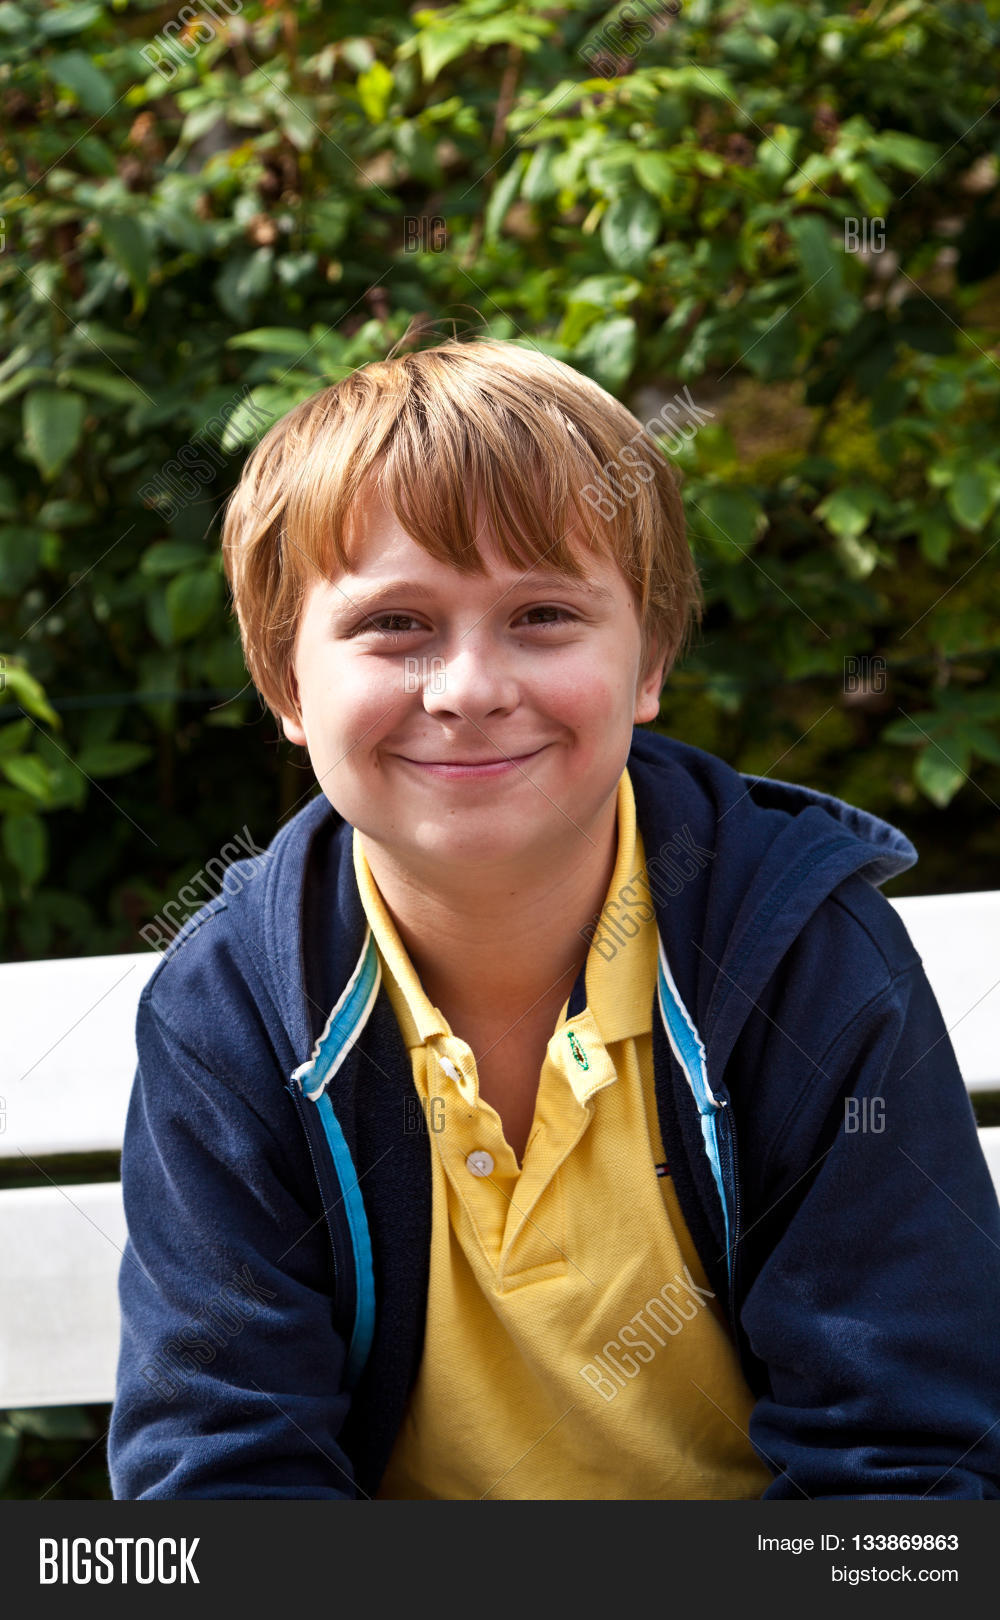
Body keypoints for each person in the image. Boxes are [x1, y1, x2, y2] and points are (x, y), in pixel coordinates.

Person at [108, 336, 1000, 1499]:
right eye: (396, 624)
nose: (470, 689)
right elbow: (224, 1470)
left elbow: (909, 1466)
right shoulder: (231, 1012)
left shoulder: (801, 961)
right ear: (284, 682)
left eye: (540, 614)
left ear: (648, 663)